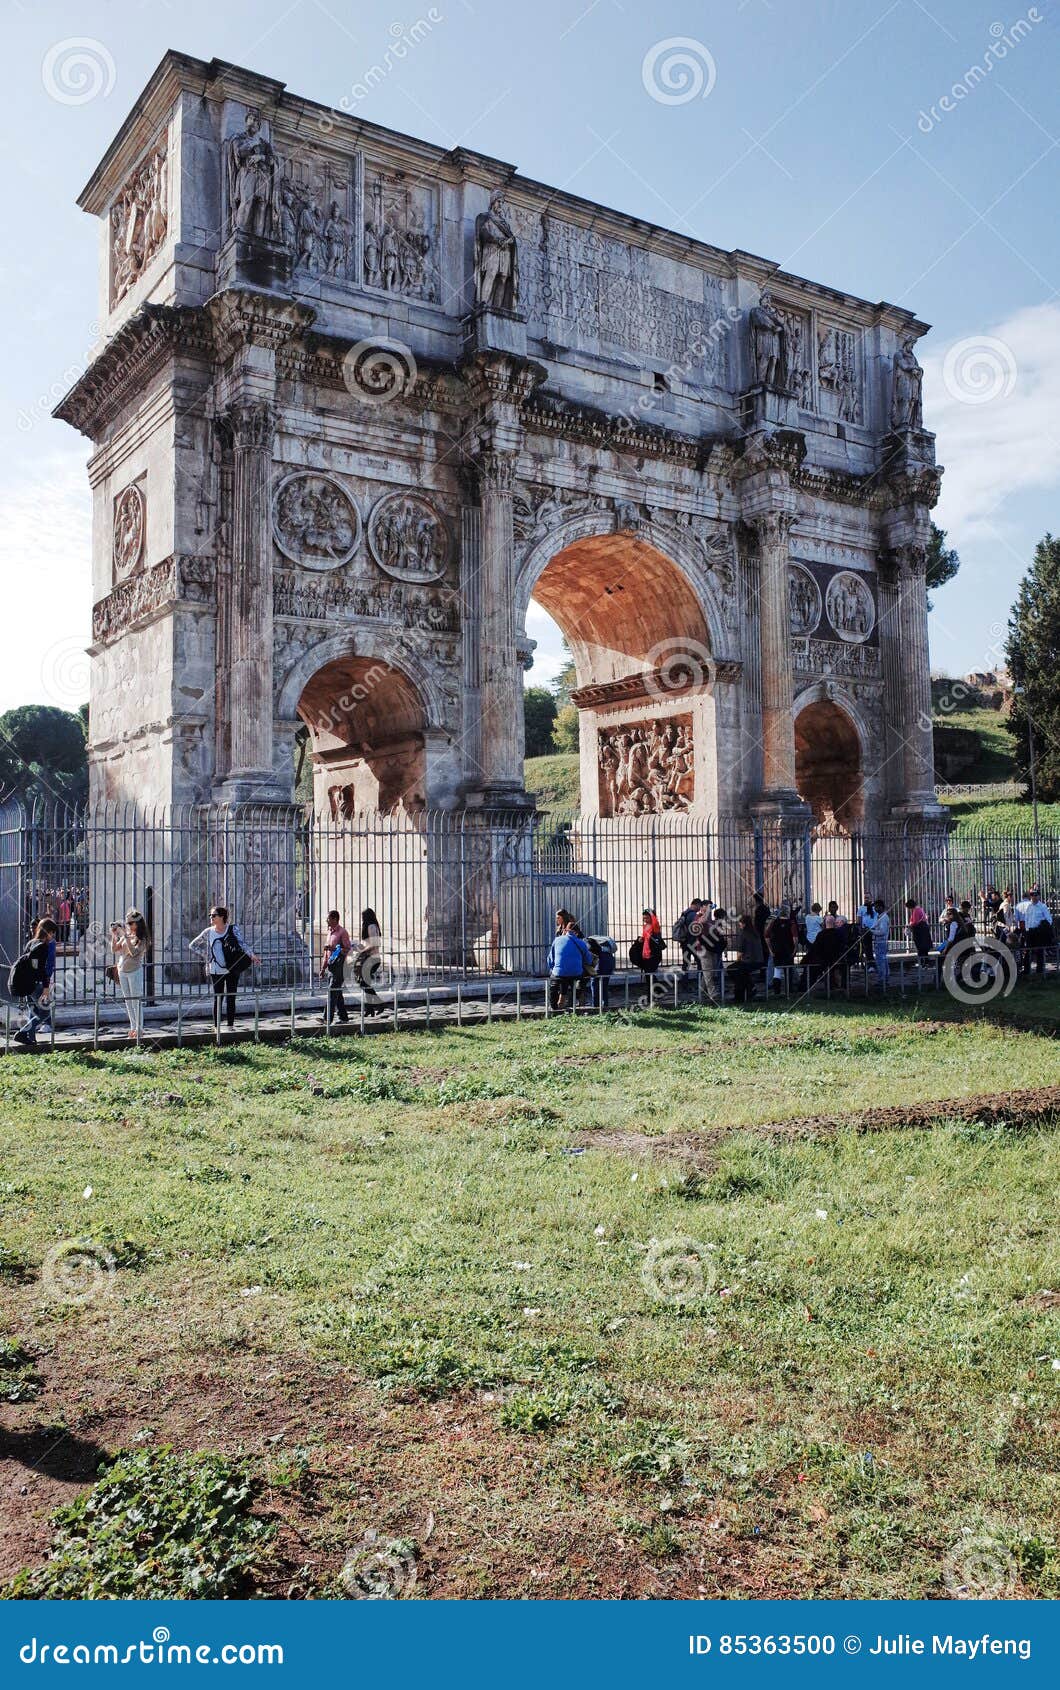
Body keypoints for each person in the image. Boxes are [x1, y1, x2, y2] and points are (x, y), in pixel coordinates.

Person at [190, 906, 259, 1028]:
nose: (211, 918)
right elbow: (193, 945)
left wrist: (251, 954)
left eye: (214, 915)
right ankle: (216, 1028)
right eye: (210, 915)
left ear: (222, 917)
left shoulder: (232, 929)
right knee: (218, 998)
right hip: (215, 969)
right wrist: (208, 956)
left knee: (231, 998)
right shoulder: (208, 932)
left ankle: (230, 1026)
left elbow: (241, 943)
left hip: (232, 967)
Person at [12, 918, 58, 1047]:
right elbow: (41, 969)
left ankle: (31, 1039)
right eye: (52, 933)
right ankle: (22, 1033)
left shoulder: (31, 943)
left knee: (34, 1011)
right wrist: (46, 988)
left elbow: (31, 965)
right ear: (47, 932)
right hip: (36, 985)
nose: (52, 936)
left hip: (27, 983)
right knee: (45, 1011)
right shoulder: (43, 946)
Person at [111, 908, 149, 1039]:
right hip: (122, 971)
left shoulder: (142, 938)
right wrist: (114, 935)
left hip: (134, 971)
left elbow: (133, 952)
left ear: (137, 924)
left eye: (130, 923)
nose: (128, 925)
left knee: (136, 1001)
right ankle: (133, 1027)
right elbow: (114, 949)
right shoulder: (127, 935)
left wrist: (126, 937)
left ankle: (139, 1029)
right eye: (127, 923)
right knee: (128, 1001)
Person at [548, 920, 592, 1011]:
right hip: (576, 973)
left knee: (560, 977)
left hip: (559, 973)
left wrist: (554, 969)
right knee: (578, 978)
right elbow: (589, 960)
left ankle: (554, 1007)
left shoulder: (557, 940)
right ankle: (579, 1000)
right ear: (576, 933)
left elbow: (550, 959)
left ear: (565, 931)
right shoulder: (581, 943)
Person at [319, 908, 352, 1024]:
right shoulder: (330, 932)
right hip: (331, 966)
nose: (326, 920)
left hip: (340, 966)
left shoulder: (342, 932)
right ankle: (343, 1017)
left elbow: (348, 949)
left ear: (334, 919)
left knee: (332, 991)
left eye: (328, 918)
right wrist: (323, 968)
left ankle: (327, 1018)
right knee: (337, 993)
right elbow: (326, 953)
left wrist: (333, 949)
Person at [692, 905, 728, 1003]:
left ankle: (701, 991)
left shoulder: (711, 921)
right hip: (703, 949)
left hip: (711, 948)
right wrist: (707, 912)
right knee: (708, 971)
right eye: (707, 906)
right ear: (702, 907)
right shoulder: (699, 917)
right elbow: (701, 922)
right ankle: (712, 994)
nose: (709, 909)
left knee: (709, 972)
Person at [352, 908, 384, 1016]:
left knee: (363, 982)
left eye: (363, 917)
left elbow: (374, 944)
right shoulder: (370, 926)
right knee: (365, 982)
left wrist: (362, 950)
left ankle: (379, 1004)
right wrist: (356, 947)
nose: (362, 919)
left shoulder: (371, 926)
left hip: (372, 958)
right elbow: (367, 944)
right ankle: (369, 1009)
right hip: (368, 958)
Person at [730, 913, 764, 1006]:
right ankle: (749, 987)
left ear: (744, 924)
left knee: (732, 969)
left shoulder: (744, 934)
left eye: (740, 923)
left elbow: (740, 952)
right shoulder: (755, 933)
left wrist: (737, 961)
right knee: (741, 973)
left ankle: (743, 992)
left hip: (749, 961)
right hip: (759, 961)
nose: (739, 925)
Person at [765, 902, 797, 994]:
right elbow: (795, 938)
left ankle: (777, 991)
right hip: (788, 949)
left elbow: (766, 936)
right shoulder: (791, 923)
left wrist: (770, 949)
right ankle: (789, 990)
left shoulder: (773, 923)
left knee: (777, 970)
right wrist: (795, 949)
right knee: (788, 970)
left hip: (776, 949)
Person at [1021, 889, 1054, 976]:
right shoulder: (1029, 906)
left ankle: (1039, 971)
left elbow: (1049, 920)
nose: (1034, 897)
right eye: (1032, 895)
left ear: (1039, 896)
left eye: (1036, 895)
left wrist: (1042, 926)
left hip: (1038, 932)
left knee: (1039, 951)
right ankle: (1026, 970)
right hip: (1030, 931)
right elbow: (1026, 919)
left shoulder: (1042, 907)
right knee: (1028, 952)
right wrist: (1026, 930)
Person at [629, 908, 663, 985]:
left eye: (647, 918)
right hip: (645, 952)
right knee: (648, 973)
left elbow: (655, 922)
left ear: (651, 917)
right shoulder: (645, 926)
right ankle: (655, 989)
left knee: (649, 973)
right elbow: (645, 938)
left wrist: (651, 913)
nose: (645, 920)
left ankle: (655, 990)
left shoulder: (655, 926)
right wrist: (641, 939)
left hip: (653, 954)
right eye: (644, 918)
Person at [587, 936, 616, 1008]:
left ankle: (595, 1006)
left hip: (599, 967)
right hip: (608, 965)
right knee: (604, 986)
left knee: (595, 986)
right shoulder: (608, 947)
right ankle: (605, 1004)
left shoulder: (589, 943)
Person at [872, 899, 891, 990]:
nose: (875, 909)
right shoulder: (879, 917)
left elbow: (882, 932)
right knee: (882, 961)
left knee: (881, 962)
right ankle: (884, 978)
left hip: (881, 942)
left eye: (876, 907)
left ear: (881, 907)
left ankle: (882, 979)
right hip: (879, 942)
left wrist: (871, 931)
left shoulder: (883, 918)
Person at [855, 898, 877, 966]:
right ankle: (869, 964)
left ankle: (873, 963)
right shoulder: (861, 908)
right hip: (865, 931)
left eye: (868, 897)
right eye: (865, 898)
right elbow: (858, 921)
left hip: (875, 930)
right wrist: (860, 930)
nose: (867, 899)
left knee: (876, 949)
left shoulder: (875, 907)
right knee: (867, 948)